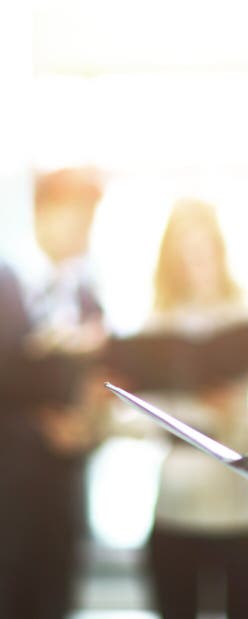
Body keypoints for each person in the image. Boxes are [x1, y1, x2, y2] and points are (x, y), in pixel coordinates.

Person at [127, 198, 248, 619]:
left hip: (242, 511)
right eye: (185, 253)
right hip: (175, 509)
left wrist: (237, 415)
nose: (196, 263)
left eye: (204, 250)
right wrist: (178, 411)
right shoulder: (154, 325)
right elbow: (130, 417)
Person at [0, 167, 107, 619]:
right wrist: (43, 419)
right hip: (9, 490)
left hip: (64, 491)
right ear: (46, 214)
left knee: (57, 598)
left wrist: (88, 422)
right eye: (79, 218)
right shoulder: (7, 283)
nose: (86, 232)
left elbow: (102, 378)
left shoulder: (85, 296)